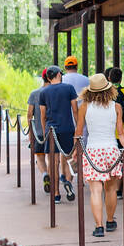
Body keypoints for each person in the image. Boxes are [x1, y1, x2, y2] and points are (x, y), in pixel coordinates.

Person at [73, 74, 124, 237]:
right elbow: (121, 133)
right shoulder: (116, 107)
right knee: (111, 189)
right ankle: (110, 221)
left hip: (93, 151)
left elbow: (79, 132)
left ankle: (99, 227)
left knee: (95, 191)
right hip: (112, 150)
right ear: (108, 88)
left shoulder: (84, 106)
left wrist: (76, 149)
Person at [37, 65, 79, 203]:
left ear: (48, 77)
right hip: (67, 127)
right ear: (59, 75)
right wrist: (78, 127)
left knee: (53, 162)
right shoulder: (69, 89)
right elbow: (75, 109)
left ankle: (56, 193)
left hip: (51, 129)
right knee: (67, 158)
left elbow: (43, 115)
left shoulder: (44, 92)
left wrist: (44, 131)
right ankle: (68, 181)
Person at [27, 67, 52, 191]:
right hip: (53, 132)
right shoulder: (55, 92)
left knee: (40, 157)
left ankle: (45, 174)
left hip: (39, 133)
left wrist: (30, 133)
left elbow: (29, 114)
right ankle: (54, 179)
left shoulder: (34, 93)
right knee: (53, 157)